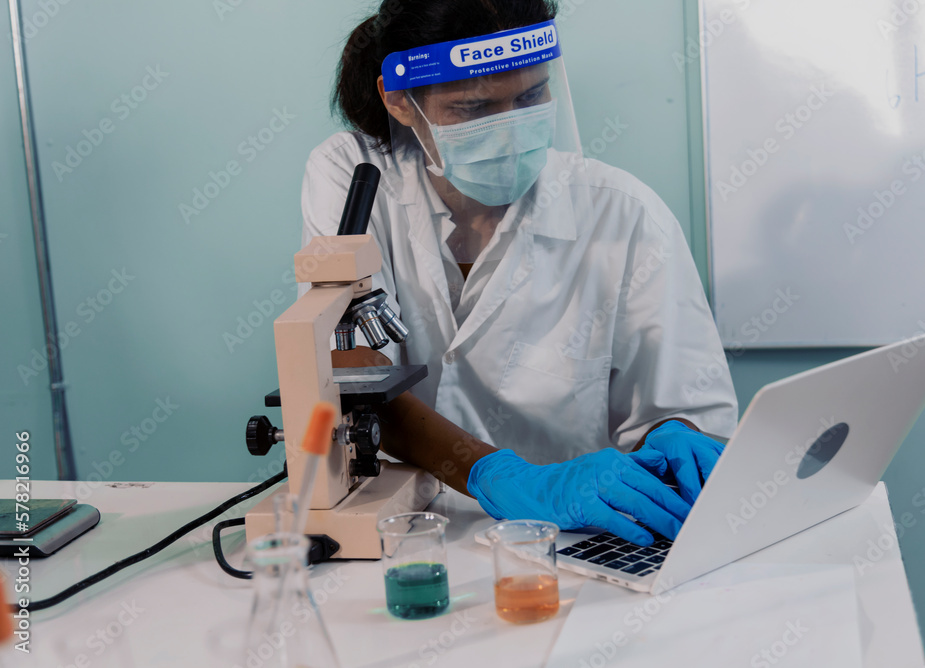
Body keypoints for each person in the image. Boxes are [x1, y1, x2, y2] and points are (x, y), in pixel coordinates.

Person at [298, 0, 738, 546]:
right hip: (412, 537)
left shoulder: (624, 214)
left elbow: (684, 408)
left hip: (581, 539)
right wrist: (496, 474)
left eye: (531, 97)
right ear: (401, 100)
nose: (509, 130)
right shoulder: (358, 176)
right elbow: (350, 369)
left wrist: (677, 431)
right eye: (475, 108)